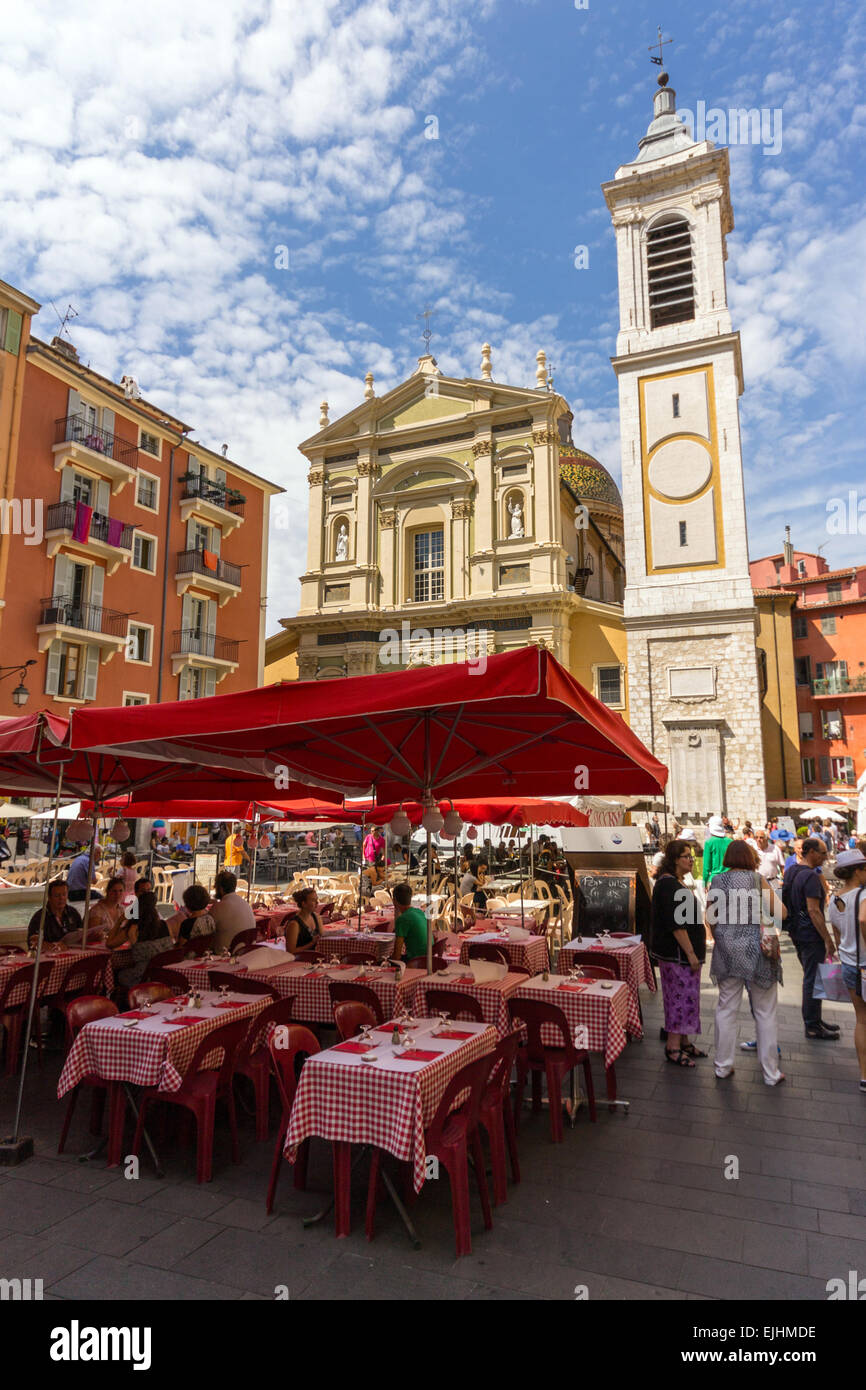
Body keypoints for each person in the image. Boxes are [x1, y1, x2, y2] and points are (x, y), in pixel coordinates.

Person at [706, 840, 786, 1085]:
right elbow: (781, 913)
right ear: (750, 858)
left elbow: (710, 918)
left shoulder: (717, 882)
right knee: (765, 1012)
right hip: (757, 951)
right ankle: (771, 1073)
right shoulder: (756, 879)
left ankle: (723, 1066)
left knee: (726, 1008)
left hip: (728, 952)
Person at [650, 839, 707, 1066]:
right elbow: (677, 925)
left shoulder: (674, 883)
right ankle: (673, 1046)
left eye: (691, 856)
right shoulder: (669, 885)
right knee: (679, 999)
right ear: (675, 860)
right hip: (678, 956)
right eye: (686, 856)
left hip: (681, 955)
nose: (691, 860)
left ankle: (683, 1040)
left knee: (688, 998)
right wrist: (691, 953)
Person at [782, 837, 839, 1041]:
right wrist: (828, 939)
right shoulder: (811, 877)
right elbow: (814, 911)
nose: (825, 857)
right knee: (813, 979)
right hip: (809, 933)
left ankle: (815, 1019)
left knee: (812, 977)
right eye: (823, 853)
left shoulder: (791, 872)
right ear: (811, 852)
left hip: (797, 931)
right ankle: (812, 1025)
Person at [828, 849, 866, 1091]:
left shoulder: (835, 899)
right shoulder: (863, 895)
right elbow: (863, 920)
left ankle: (864, 1075)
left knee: (861, 1020)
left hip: (850, 963)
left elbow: (837, 932)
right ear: (857, 871)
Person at [116, 892, 172, 991]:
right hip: (164, 973)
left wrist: (119, 922)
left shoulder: (134, 929)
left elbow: (110, 944)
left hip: (143, 976)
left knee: (118, 974)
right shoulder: (163, 925)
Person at [211, 869, 257, 953]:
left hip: (226, 957)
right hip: (247, 953)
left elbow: (207, 930)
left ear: (220, 889)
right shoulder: (245, 904)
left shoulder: (219, 907)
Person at [27, 881, 83, 945]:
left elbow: (81, 935)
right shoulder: (39, 918)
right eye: (57, 895)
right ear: (49, 897)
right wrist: (54, 947)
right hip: (49, 954)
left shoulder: (73, 913)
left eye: (64, 894)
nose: (61, 898)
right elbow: (33, 943)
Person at [391, 880, 429, 962]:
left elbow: (397, 956)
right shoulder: (419, 912)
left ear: (394, 901)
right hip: (428, 956)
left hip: (416, 960)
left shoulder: (403, 919)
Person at [87, 877, 130, 946]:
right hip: (99, 947)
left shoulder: (122, 909)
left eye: (120, 891)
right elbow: (92, 934)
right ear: (108, 891)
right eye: (114, 891)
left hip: (117, 945)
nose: (117, 894)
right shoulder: (97, 910)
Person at [285, 886, 323, 952]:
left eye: (317, 899)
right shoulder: (294, 924)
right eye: (313, 900)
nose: (317, 903)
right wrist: (311, 943)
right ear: (304, 904)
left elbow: (323, 936)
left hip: (316, 956)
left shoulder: (316, 917)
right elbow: (291, 951)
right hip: (300, 960)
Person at [701, 816, 731, 889]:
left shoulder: (709, 843)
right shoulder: (730, 841)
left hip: (715, 880)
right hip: (729, 880)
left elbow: (706, 867)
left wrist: (704, 884)